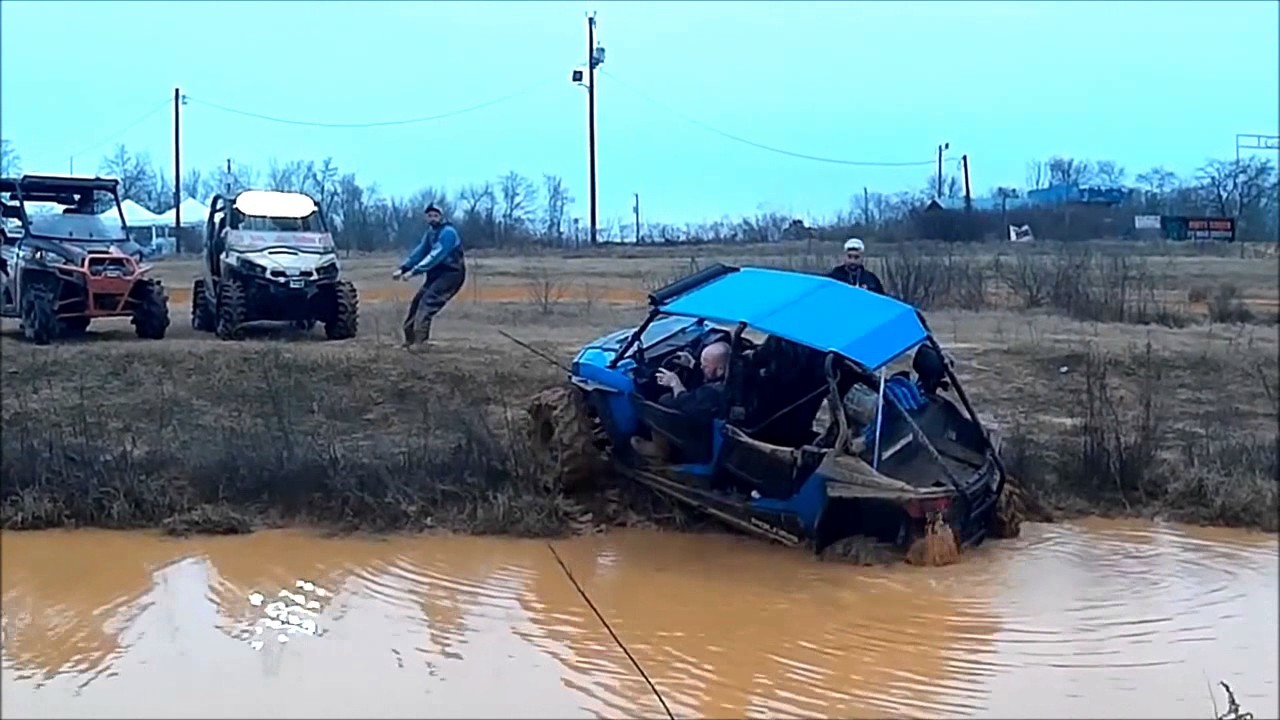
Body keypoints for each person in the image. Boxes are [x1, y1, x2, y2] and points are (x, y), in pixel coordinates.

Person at [631, 342, 732, 461]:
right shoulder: (731, 376)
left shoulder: (715, 391)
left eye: (705, 365)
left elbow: (687, 405)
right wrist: (692, 364)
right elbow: (708, 377)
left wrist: (675, 383)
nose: (701, 366)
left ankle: (660, 449)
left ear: (720, 369)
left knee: (664, 401)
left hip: (703, 441)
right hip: (712, 425)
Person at [393, 204, 466, 349]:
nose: (433, 218)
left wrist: (414, 271)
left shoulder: (448, 233)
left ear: (441, 217)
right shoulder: (431, 233)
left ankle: (421, 342)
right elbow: (420, 252)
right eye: (430, 215)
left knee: (427, 303)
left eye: (436, 215)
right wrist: (403, 268)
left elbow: (436, 255)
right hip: (436, 274)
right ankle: (410, 340)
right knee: (417, 302)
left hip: (451, 274)